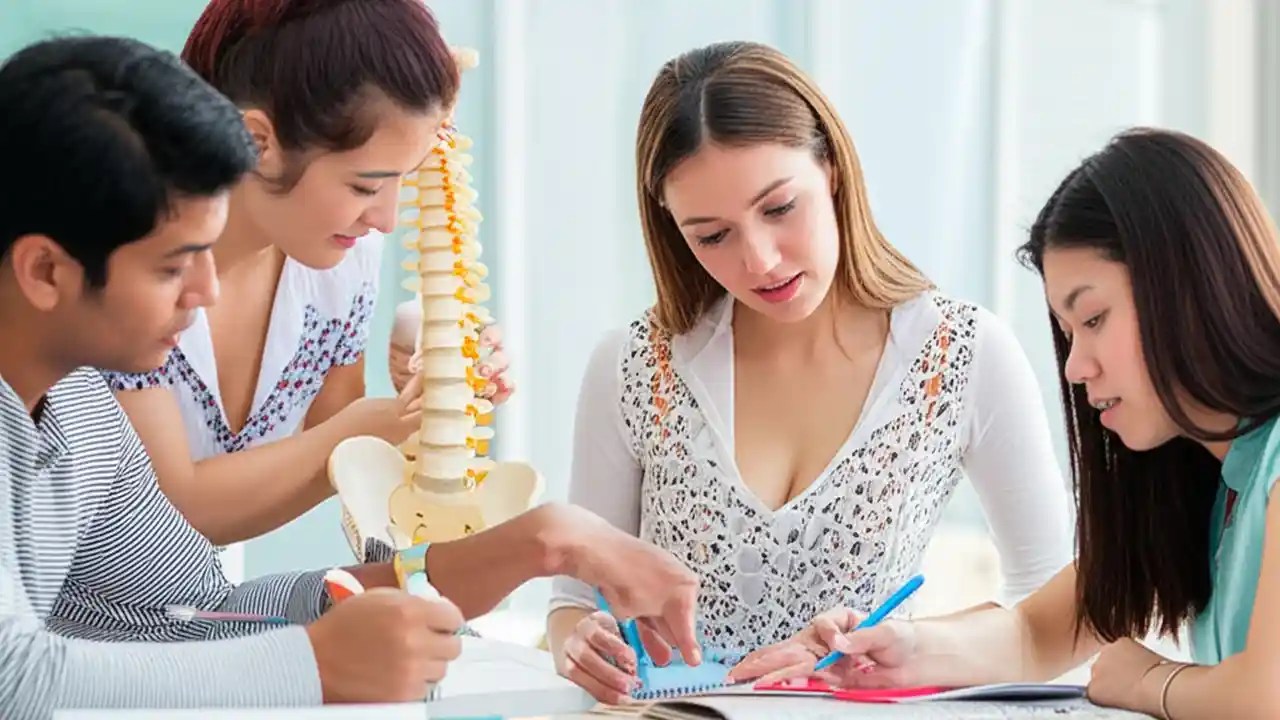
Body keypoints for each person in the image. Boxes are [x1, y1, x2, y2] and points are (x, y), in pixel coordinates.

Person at [0, 34, 699, 718]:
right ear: (45, 271)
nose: (207, 293)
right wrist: (317, 664)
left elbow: (193, 609)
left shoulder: (79, 408)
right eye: (173, 266)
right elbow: (13, 677)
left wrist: (538, 544)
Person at [546, 40, 1073, 704]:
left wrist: (900, 648)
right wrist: (581, 641)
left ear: (830, 167)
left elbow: (1054, 602)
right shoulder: (632, 368)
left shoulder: (962, 353)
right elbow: (571, 600)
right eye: (712, 236)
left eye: (778, 208)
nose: (760, 261)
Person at [730, 127, 1280, 720]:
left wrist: (1151, 681)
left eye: (1093, 318)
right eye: (1067, 334)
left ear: (1191, 284)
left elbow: (1266, 694)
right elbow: (1033, 635)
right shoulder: (1196, 479)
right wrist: (897, 651)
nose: (1074, 367)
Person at [99, 0, 511, 549]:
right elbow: (170, 507)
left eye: (401, 182)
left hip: (199, 608)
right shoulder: (116, 254)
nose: (386, 219)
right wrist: (369, 426)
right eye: (365, 187)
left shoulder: (339, 262)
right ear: (258, 142)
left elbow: (336, 461)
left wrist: (430, 395)